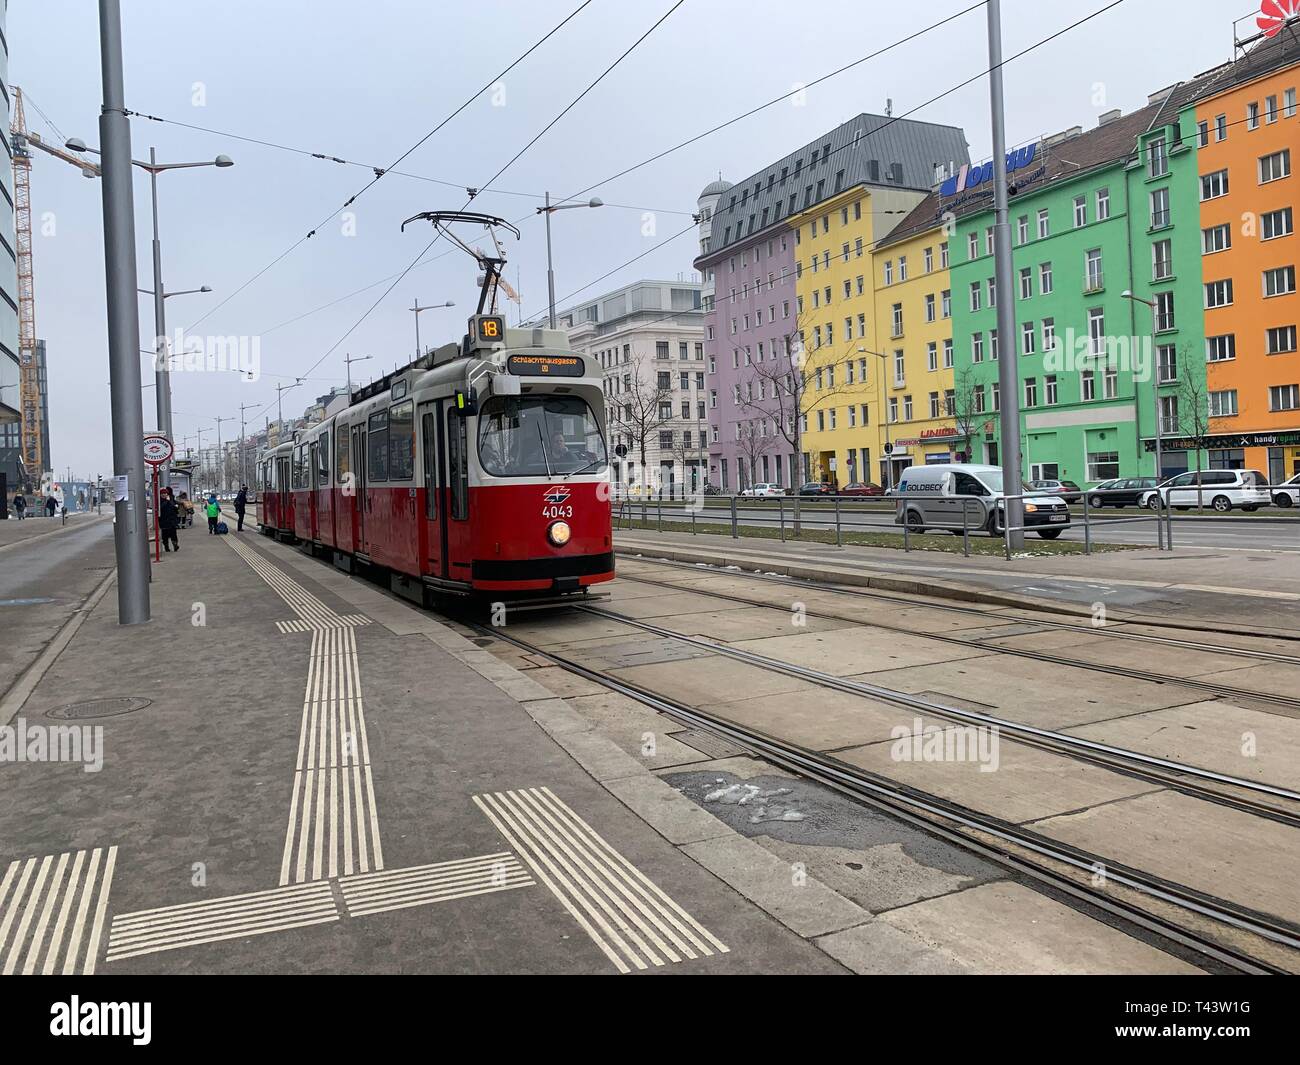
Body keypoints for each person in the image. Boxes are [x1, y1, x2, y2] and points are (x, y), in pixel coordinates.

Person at [159, 488, 180, 553]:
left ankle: (175, 545)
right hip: (164, 521)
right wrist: (167, 501)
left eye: (165, 493)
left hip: (172, 520)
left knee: (173, 534)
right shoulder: (160, 501)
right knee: (165, 535)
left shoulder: (171, 500)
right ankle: (166, 547)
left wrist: (176, 507)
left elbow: (174, 508)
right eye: (162, 494)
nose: (164, 495)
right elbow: (161, 508)